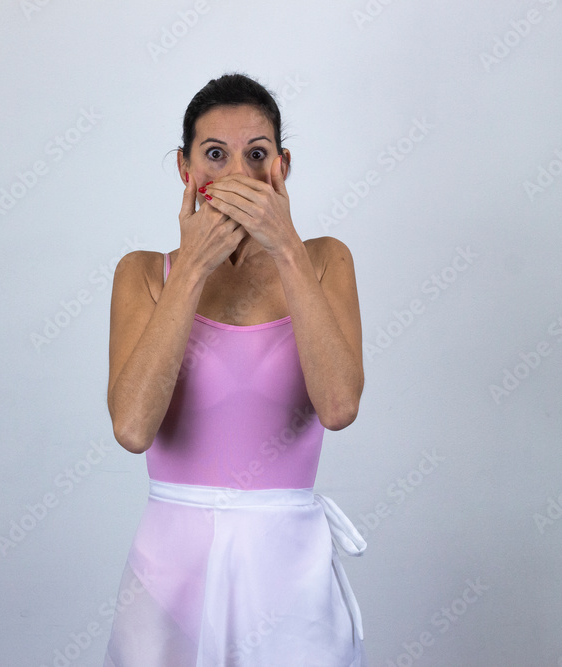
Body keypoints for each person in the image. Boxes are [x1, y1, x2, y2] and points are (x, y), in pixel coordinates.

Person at [102, 73, 368, 666]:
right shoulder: (142, 273)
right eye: (215, 155)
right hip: (171, 567)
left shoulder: (326, 260)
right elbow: (132, 428)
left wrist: (287, 248)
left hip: (288, 564)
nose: (239, 175)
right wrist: (192, 267)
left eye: (257, 154)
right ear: (186, 170)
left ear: (282, 166)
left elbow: (340, 406)